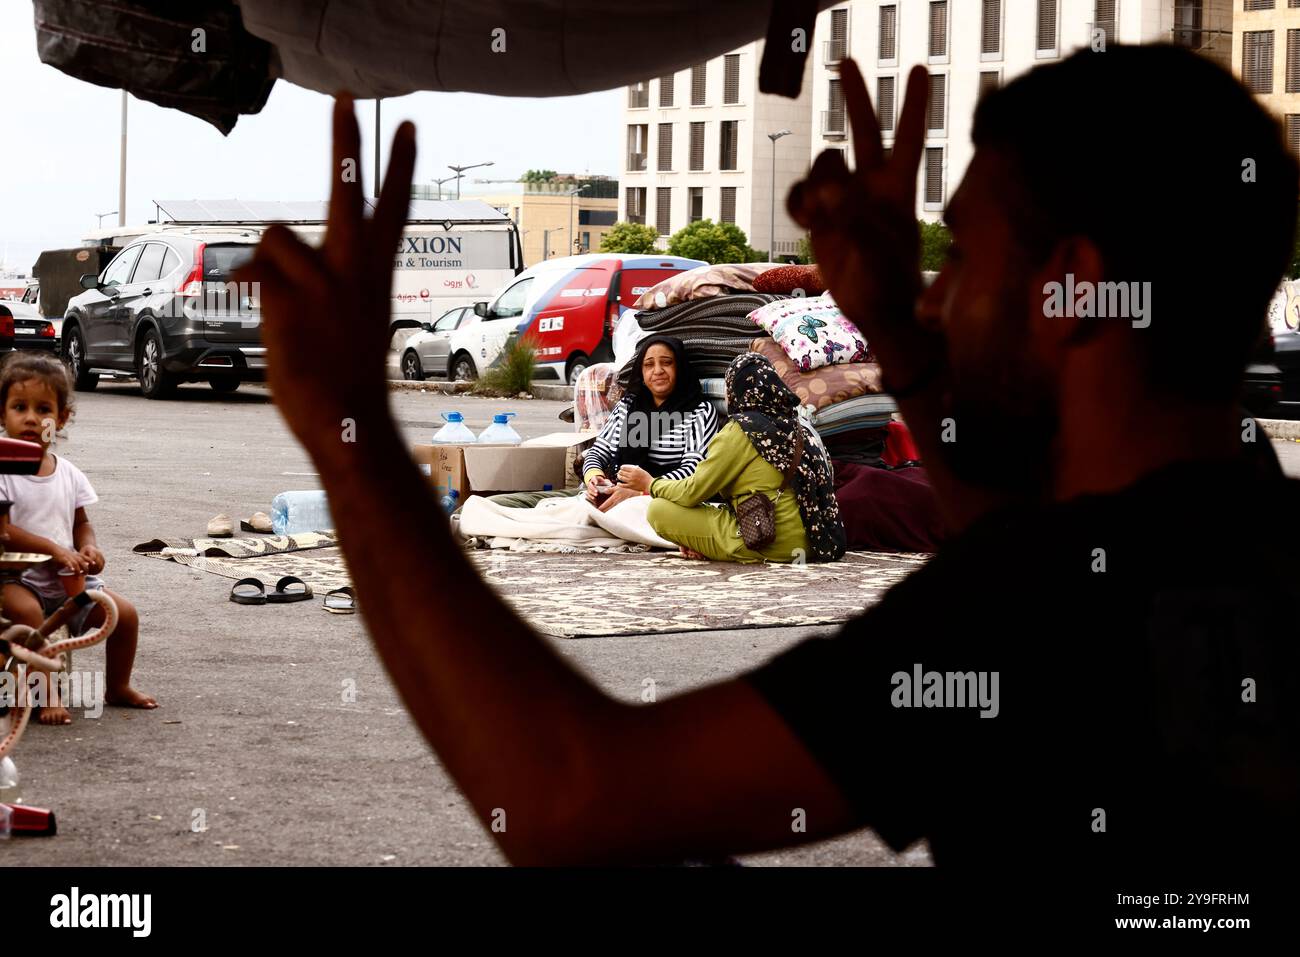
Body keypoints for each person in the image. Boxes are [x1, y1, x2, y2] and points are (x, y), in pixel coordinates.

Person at [235, 44, 1299, 873]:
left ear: (1072, 287)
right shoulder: (1241, 522)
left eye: (963, 257)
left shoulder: (1033, 606)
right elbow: (1018, 538)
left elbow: (567, 796)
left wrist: (353, 435)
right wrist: (891, 322)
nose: (936, 296)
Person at [0, 353, 156, 724]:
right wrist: (54, 549)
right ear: (3, 415)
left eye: (44, 409)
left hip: (67, 580)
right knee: (28, 616)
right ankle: (45, 695)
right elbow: (4, 530)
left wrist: (89, 547)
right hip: (14, 578)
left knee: (124, 615)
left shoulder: (68, 473)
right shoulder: (4, 471)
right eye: (19, 407)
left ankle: (117, 686)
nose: (32, 418)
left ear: (62, 418)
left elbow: (81, 523)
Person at [476, 334, 718, 513]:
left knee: (567, 518)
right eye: (649, 364)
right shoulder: (629, 407)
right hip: (609, 493)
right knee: (494, 506)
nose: (658, 371)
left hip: (660, 503)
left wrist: (643, 489)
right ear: (641, 375)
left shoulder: (698, 410)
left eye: (667, 362)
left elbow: (694, 472)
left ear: (680, 368)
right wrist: (594, 479)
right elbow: (598, 452)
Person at [646, 352, 845, 563]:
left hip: (770, 541)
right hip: (817, 543)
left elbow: (693, 492)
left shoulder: (742, 429)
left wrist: (651, 484)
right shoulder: (802, 426)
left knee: (658, 510)